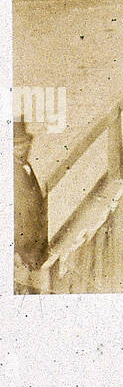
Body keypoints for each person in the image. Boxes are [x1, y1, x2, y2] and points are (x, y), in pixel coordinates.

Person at [13, 118, 48, 294]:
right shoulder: (11, 172)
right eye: (16, 145)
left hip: (35, 245)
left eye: (24, 143)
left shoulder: (26, 167)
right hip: (22, 249)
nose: (22, 148)